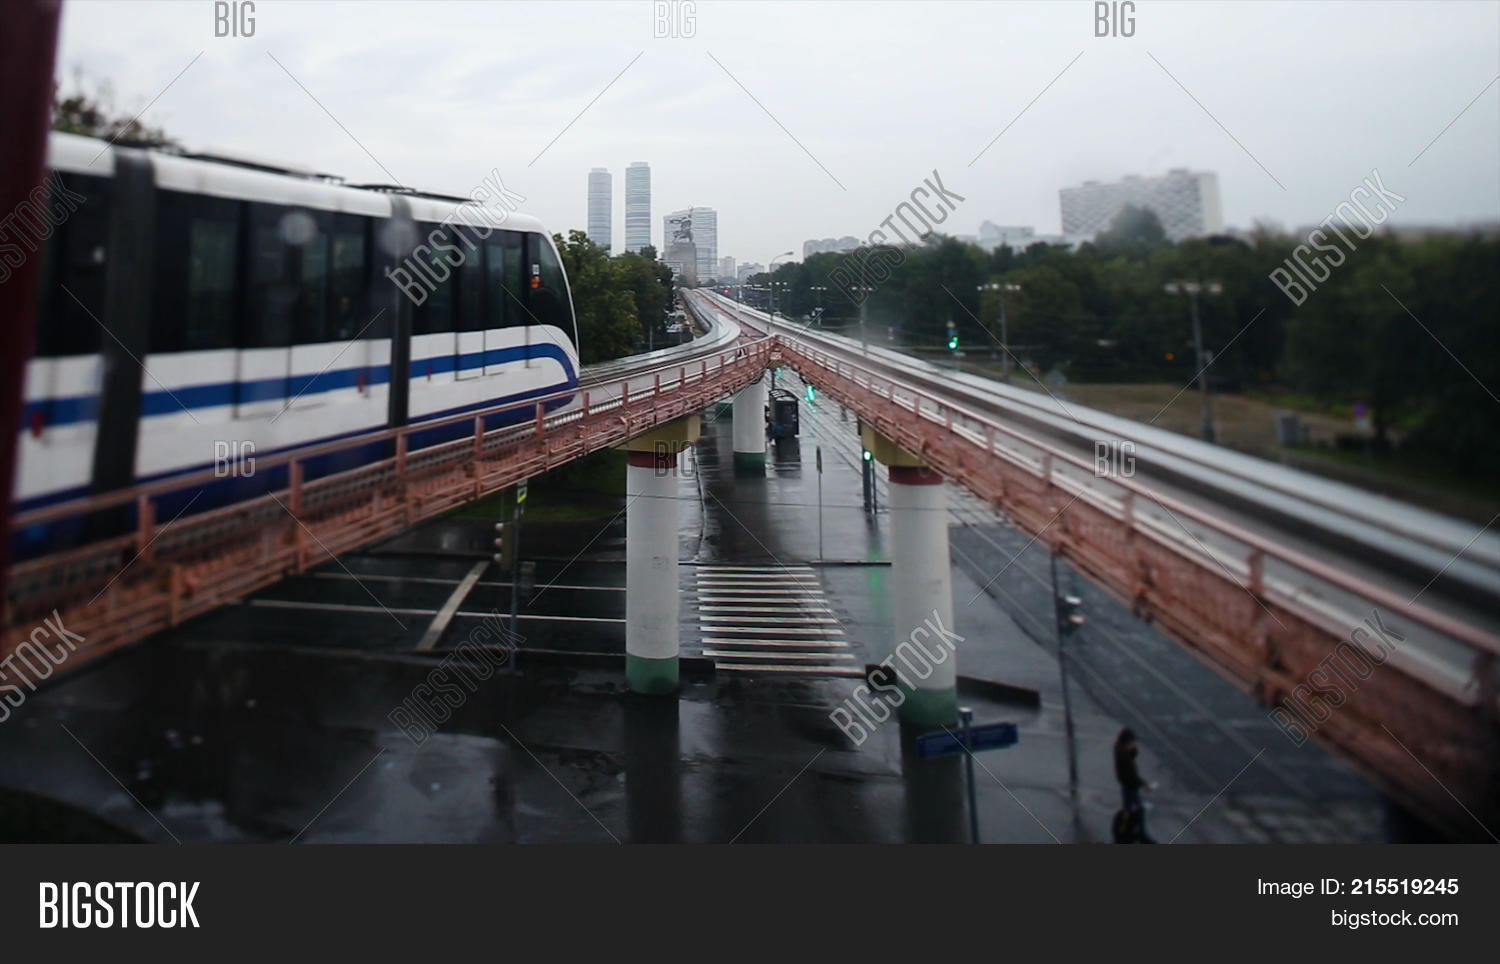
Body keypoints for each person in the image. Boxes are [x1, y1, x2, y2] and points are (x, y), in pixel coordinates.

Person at [1113, 728, 1156, 843]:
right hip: (1130, 786)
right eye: (1132, 742)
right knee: (1136, 809)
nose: (1133, 743)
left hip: (1128, 785)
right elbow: (1131, 774)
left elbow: (1132, 759)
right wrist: (1145, 784)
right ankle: (1138, 834)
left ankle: (1124, 833)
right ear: (1127, 741)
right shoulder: (1123, 756)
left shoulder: (1121, 751)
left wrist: (1133, 750)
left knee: (1129, 810)